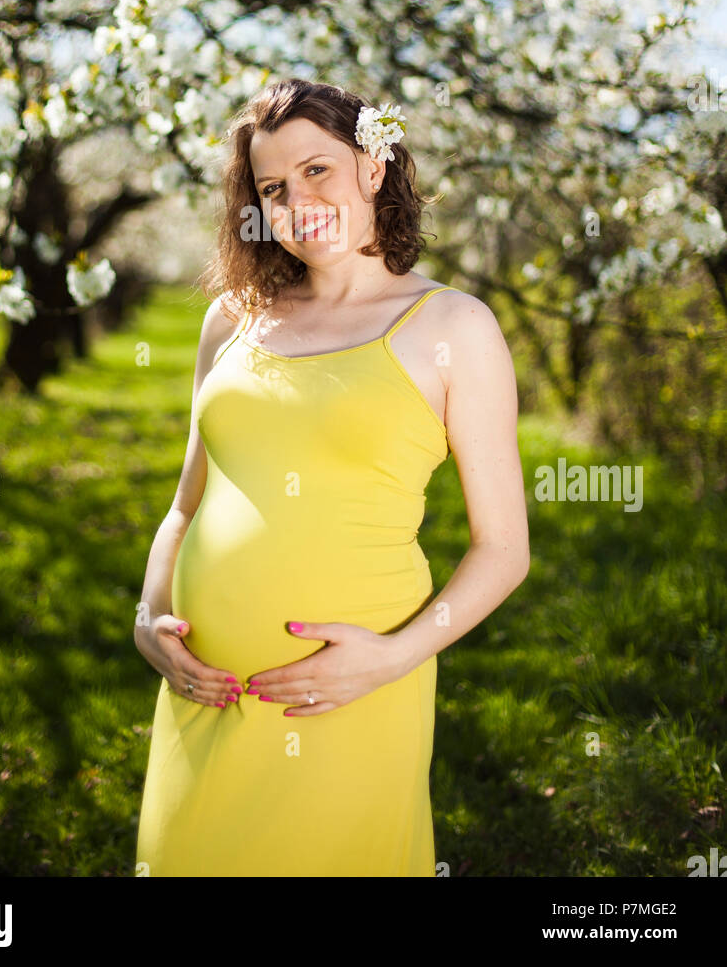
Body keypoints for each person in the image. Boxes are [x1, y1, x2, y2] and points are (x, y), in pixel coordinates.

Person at [134, 77, 529, 877]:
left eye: (318, 170)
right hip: (203, 692)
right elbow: (187, 505)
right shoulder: (233, 317)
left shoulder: (452, 327)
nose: (295, 202)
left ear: (374, 167)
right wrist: (149, 620)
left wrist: (393, 658)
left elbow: (502, 549)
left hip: (351, 690)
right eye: (273, 187)